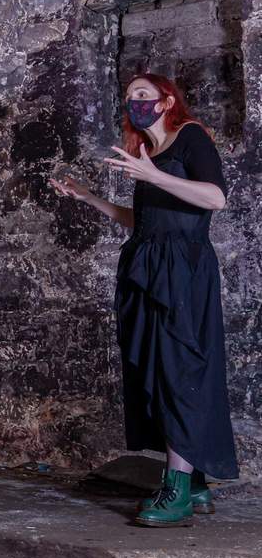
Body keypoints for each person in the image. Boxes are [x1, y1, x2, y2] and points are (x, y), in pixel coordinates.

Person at [51, 73, 238, 526]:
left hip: (184, 271)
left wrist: (153, 174)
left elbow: (215, 198)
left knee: (180, 369)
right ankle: (193, 485)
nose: (133, 101)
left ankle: (174, 490)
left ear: (166, 99)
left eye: (142, 94)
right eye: (128, 96)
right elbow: (145, 220)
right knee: (156, 369)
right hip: (146, 266)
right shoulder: (146, 155)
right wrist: (89, 196)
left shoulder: (191, 137)